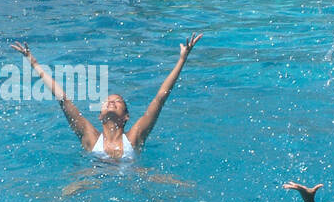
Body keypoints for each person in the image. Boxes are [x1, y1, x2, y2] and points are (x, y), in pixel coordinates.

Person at [10, 34, 202, 163]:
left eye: (117, 101)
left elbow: (160, 99)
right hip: (93, 180)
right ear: (100, 116)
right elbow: (63, 99)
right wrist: (34, 64)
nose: (110, 102)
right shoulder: (90, 137)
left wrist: (182, 60)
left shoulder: (135, 137)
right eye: (107, 101)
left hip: (133, 179)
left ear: (126, 117)